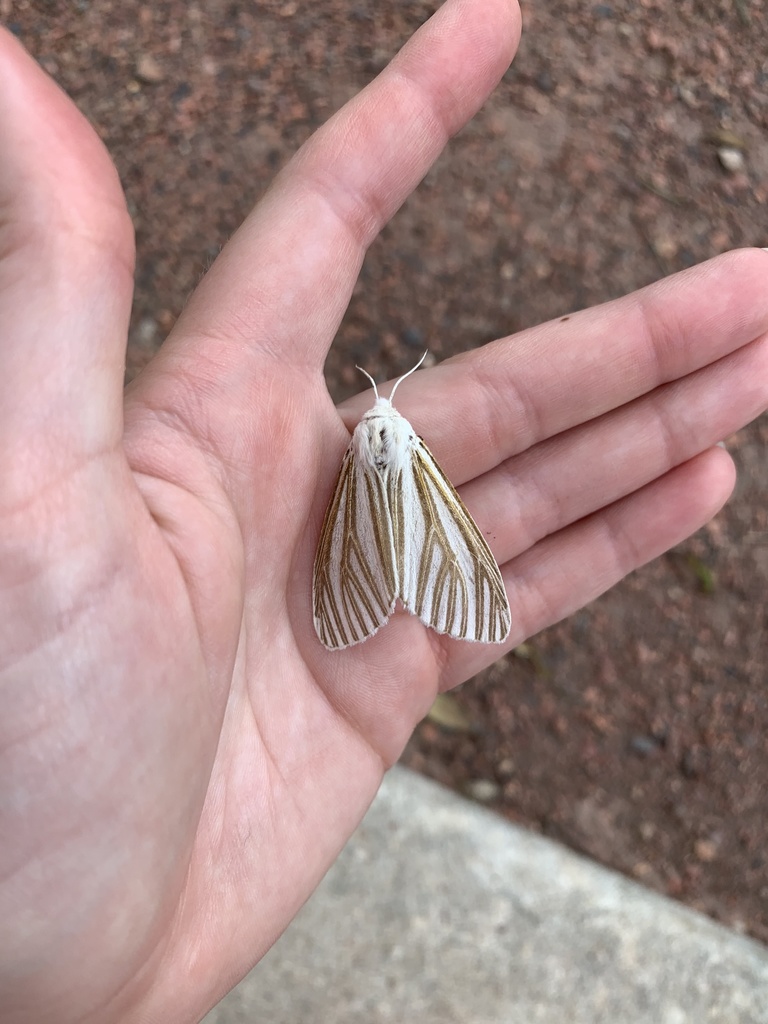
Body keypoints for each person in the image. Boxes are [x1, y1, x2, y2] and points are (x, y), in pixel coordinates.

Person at [1, 0, 767, 1020]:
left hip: (372, 509)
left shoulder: (372, 449)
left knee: (403, 521)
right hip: (394, 504)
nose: (383, 410)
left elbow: (359, 461)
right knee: (426, 523)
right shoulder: (382, 448)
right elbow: (367, 456)